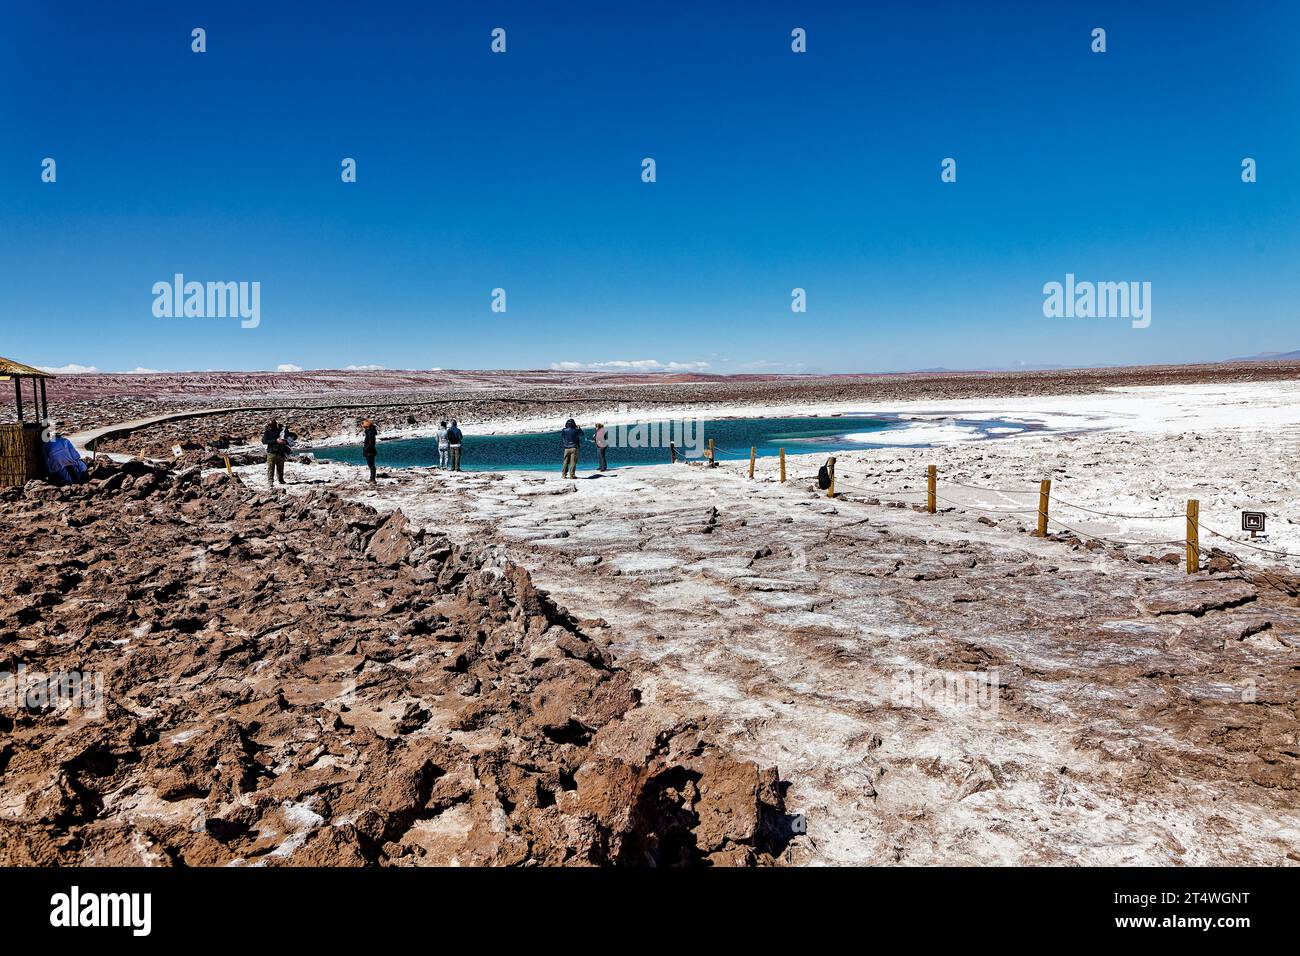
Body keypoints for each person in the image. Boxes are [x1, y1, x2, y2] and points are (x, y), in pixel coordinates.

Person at [263, 417, 289, 486]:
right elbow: (265, 441)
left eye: (272, 425)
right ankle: (270, 481)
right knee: (271, 468)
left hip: (280, 452)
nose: (270, 427)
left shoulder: (280, 431)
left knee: (280, 468)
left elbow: (286, 436)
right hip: (271, 452)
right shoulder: (267, 432)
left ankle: (281, 480)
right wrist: (276, 441)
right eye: (270, 425)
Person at [361, 418, 378, 483]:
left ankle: (372, 479)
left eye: (365, 427)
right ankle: (372, 478)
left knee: (371, 465)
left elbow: (371, 443)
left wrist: (366, 449)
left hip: (370, 452)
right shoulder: (370, 432)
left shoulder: (370, 433)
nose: (364, 428)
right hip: (370, 451)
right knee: (371, 465)